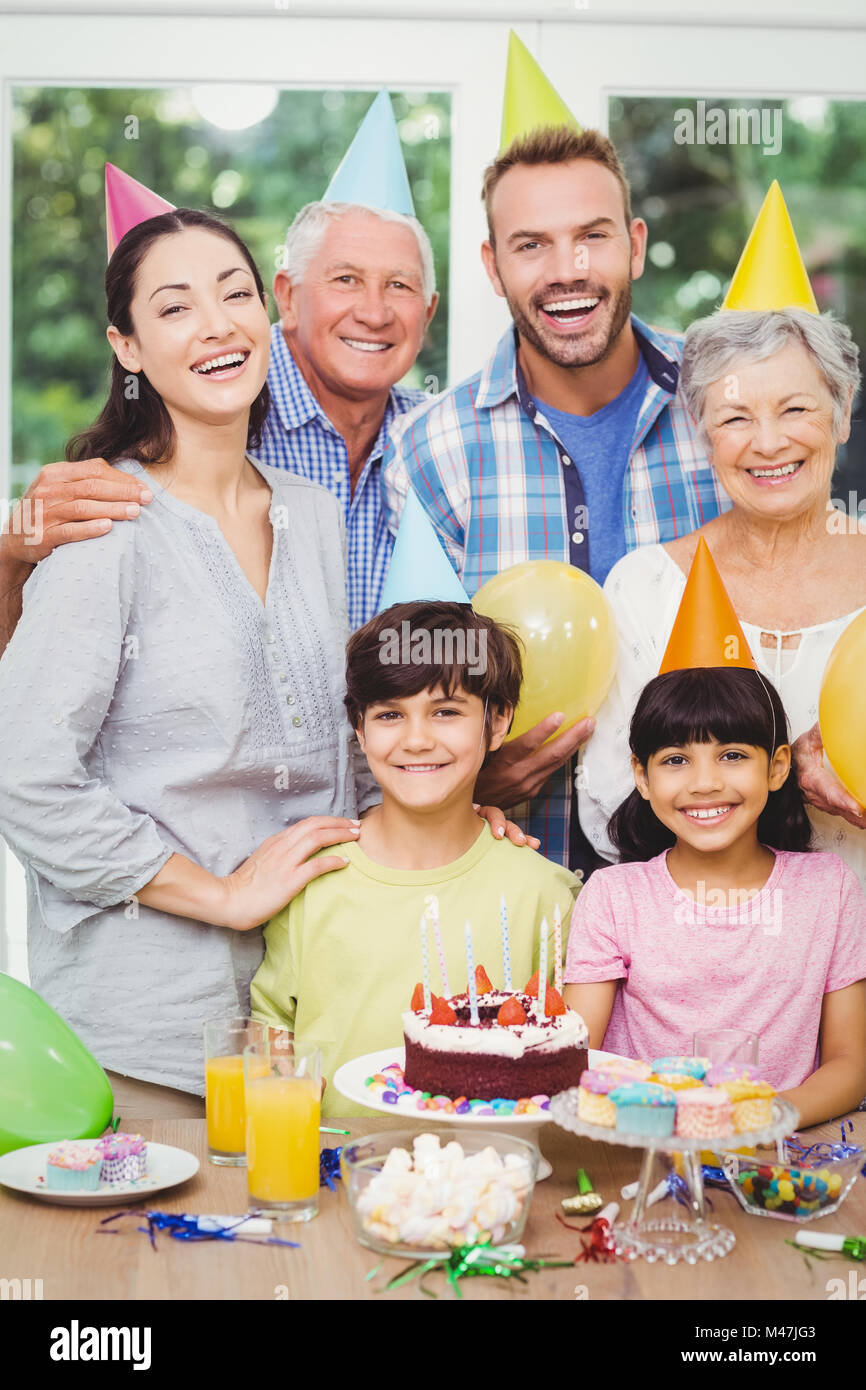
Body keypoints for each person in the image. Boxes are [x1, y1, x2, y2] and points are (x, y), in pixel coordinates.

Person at [0, 208, 381, 1117]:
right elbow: (26, 775)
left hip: (304, 1014)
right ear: (127, 348)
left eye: (236, 294)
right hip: (146, 1033)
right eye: (175, 309)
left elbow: (345, 752)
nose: (217, 324)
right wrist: (220, 895)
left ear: (268, 317)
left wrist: (449, 816)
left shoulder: (314, 514)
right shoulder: (104, 522)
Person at [383, 126, 730, 871]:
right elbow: (398, 684)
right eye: (531, 244)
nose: (566, 270)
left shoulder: (727, 411)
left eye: (591, 237)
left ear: (634, 246)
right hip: (516, 885)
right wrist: (469, 778)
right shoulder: (434, 453)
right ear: (493, 265)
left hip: (715, 889)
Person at [0, 197, 438, 645]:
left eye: (400, 285)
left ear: (429, 311)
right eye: (346, 279)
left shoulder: (441, 441)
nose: (374, 313)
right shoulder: (160, 462)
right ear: (286, 298)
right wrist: (12, 556)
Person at [250, 600, 580, 1116]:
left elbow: (564, 1058)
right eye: (389, 715)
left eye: (446, 711)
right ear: (359, 729)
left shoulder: (546, 893)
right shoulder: (312, 880)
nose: (417, 740)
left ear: (497, 722)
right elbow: (271, 1030)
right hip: (339, 1171)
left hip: (491, 1172)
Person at [578, 308, 866, 889]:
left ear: (841, 412)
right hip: (701, 960)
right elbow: (609, 808)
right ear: (701, 431)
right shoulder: (645, 587)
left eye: (795, 408)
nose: (768, 442)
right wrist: (764, 784)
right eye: (735, 417)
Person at [563, 666, 866, 1128]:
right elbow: (576, 1056)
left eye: (732, 755)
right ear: (642, 777)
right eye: (676, 760)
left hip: (780, 1158)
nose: (704, 782)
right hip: (642, 1152)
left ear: (777, 767)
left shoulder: (829, 889)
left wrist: (758, 1120)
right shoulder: (613, 896)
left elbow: (851, 1064)